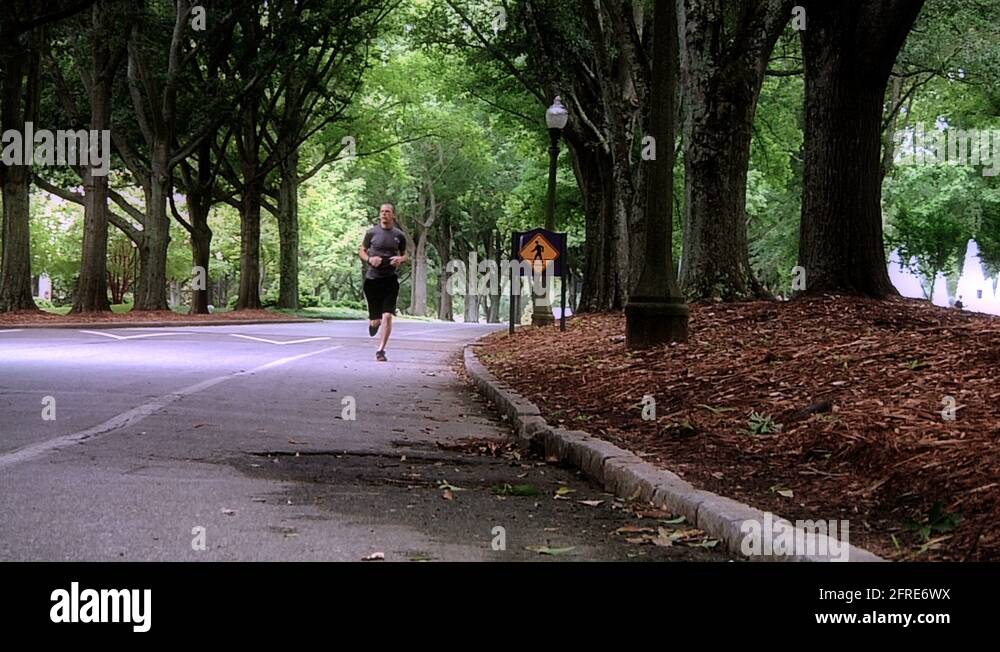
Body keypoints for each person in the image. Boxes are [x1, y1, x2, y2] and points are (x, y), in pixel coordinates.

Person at [359, 203, 408, 362]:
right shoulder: (371, 233)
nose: (384, 214)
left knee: (387, 316)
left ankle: (381, 350)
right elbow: (362, 251)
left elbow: (405, 255)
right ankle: (374, 322)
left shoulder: (399, 235)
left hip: (390, 280)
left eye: (387, 212)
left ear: (393, 215)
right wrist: (369, 259)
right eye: (382, 212)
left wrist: (400, 259)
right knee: (377, 320)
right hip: (372, 280)